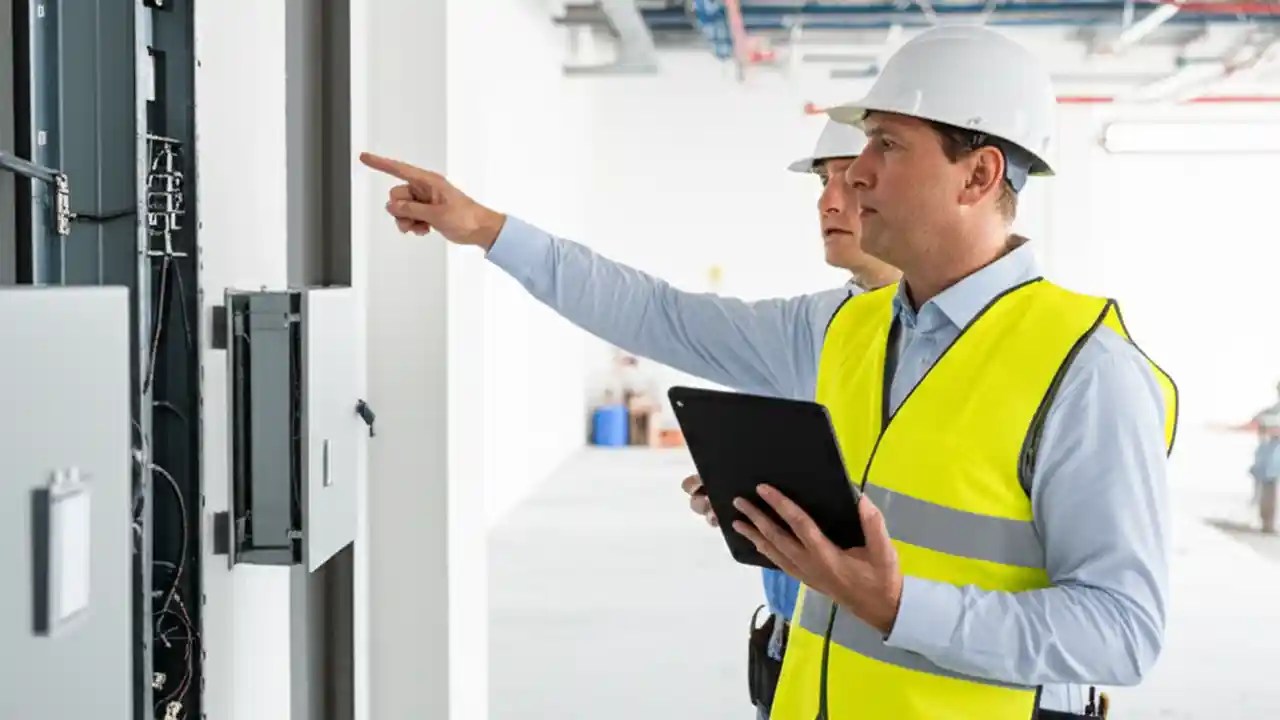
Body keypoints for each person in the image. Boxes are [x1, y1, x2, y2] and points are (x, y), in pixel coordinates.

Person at [361, 25, 1179, 718]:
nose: (855, 174)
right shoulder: (843, 329)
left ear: (980, 175)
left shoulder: (1088, 371)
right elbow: (660, 315)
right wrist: (489, 230)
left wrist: (896, 605)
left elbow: (1121, 631)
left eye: (886, 145)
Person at [362, 118, 895, 718]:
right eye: (824, 181)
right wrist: (485, 228)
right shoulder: (815, 327)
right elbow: (653, 312)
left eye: (851, 180)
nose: (828, 200)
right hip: (798, 663)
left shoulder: (993, 347)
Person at [1215, 381, 1280, 533]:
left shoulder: (1269, 413)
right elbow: (1253, 426)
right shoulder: (1269, 413)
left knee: (1268, 489)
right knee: (1267, 489)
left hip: (1270, 459)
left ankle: (1268, 524)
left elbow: (1254, 426)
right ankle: (1268, 524)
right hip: (1269, 459)